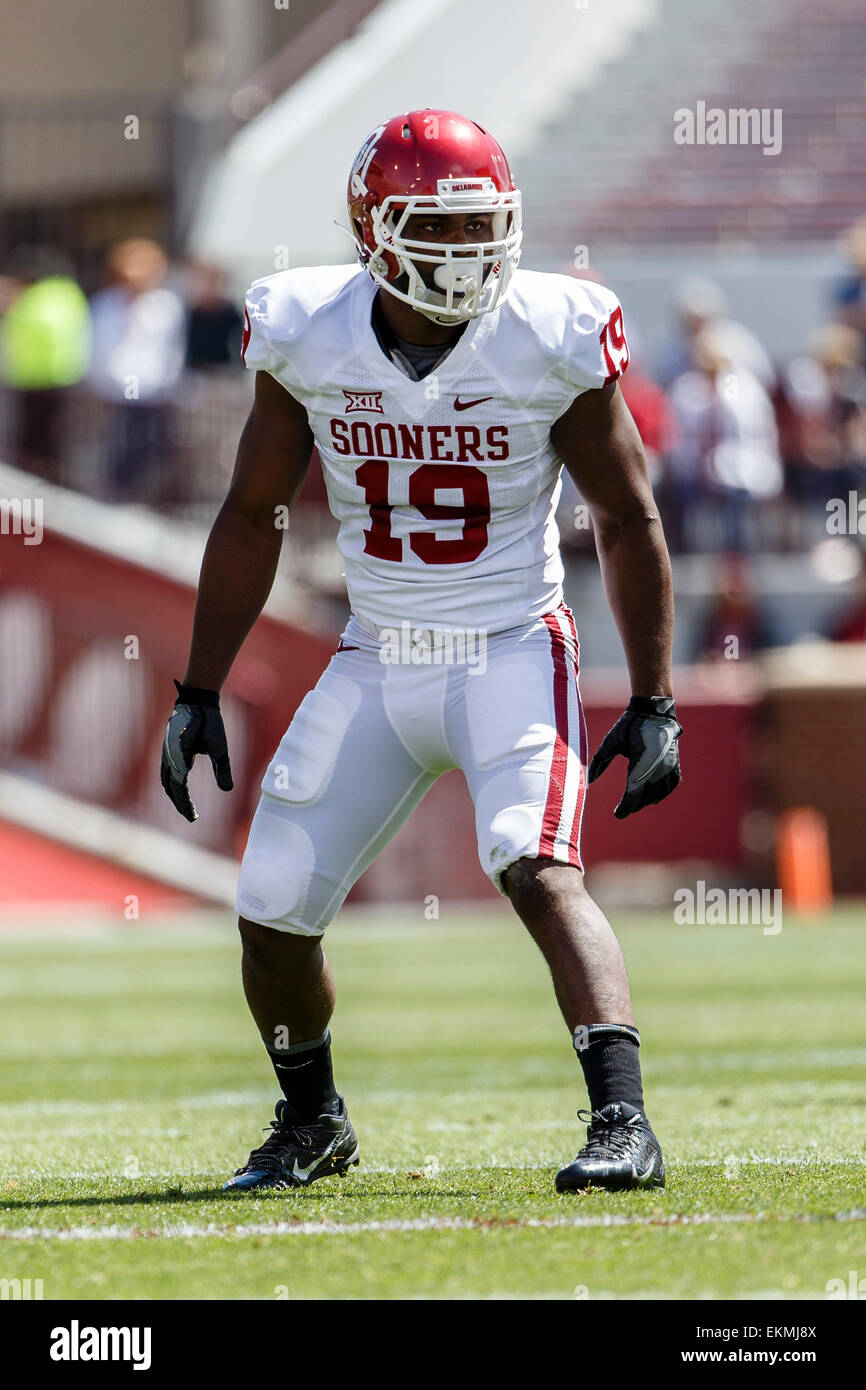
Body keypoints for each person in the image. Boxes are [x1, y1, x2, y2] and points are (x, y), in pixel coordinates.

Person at [160, 110, 682, 1195]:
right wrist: (198, 685)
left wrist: (655, 694)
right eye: (437, 228)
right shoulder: (306, 326)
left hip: (505, 642)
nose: (465, 252)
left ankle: (623, 1121)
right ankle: (313, 1120)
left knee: (532, 863)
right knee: (269, 904)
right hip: (376, 651)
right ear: (373, 228)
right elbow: (253, 510)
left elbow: (626, 516)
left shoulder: (548, 329)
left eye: (481, 226)